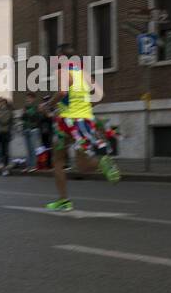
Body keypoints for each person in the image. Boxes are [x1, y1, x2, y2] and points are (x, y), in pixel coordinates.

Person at [44, 44, 120, 211]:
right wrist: (84, 106)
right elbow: (99, 94)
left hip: (67, 123)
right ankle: (102, 163)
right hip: (85, 120)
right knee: (82, 166)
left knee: (58, 161)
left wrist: (48, 105)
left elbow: (63, 93)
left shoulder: (63, 72)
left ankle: (64, 201)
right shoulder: (84, 74)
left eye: (57, 56)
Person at [19, 92, 42, 173]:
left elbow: (38, 118)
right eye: (27, 98)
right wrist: (24, 113)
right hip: (26, 129)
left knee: (32, 148)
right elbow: (22, 118)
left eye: (29, 98)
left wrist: (28, 113)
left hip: (33, 129)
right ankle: (28, 166)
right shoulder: (25, 107)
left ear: (33, 98)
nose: (27, 99)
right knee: (28, 149)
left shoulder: (36, 107)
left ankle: (33, 166)